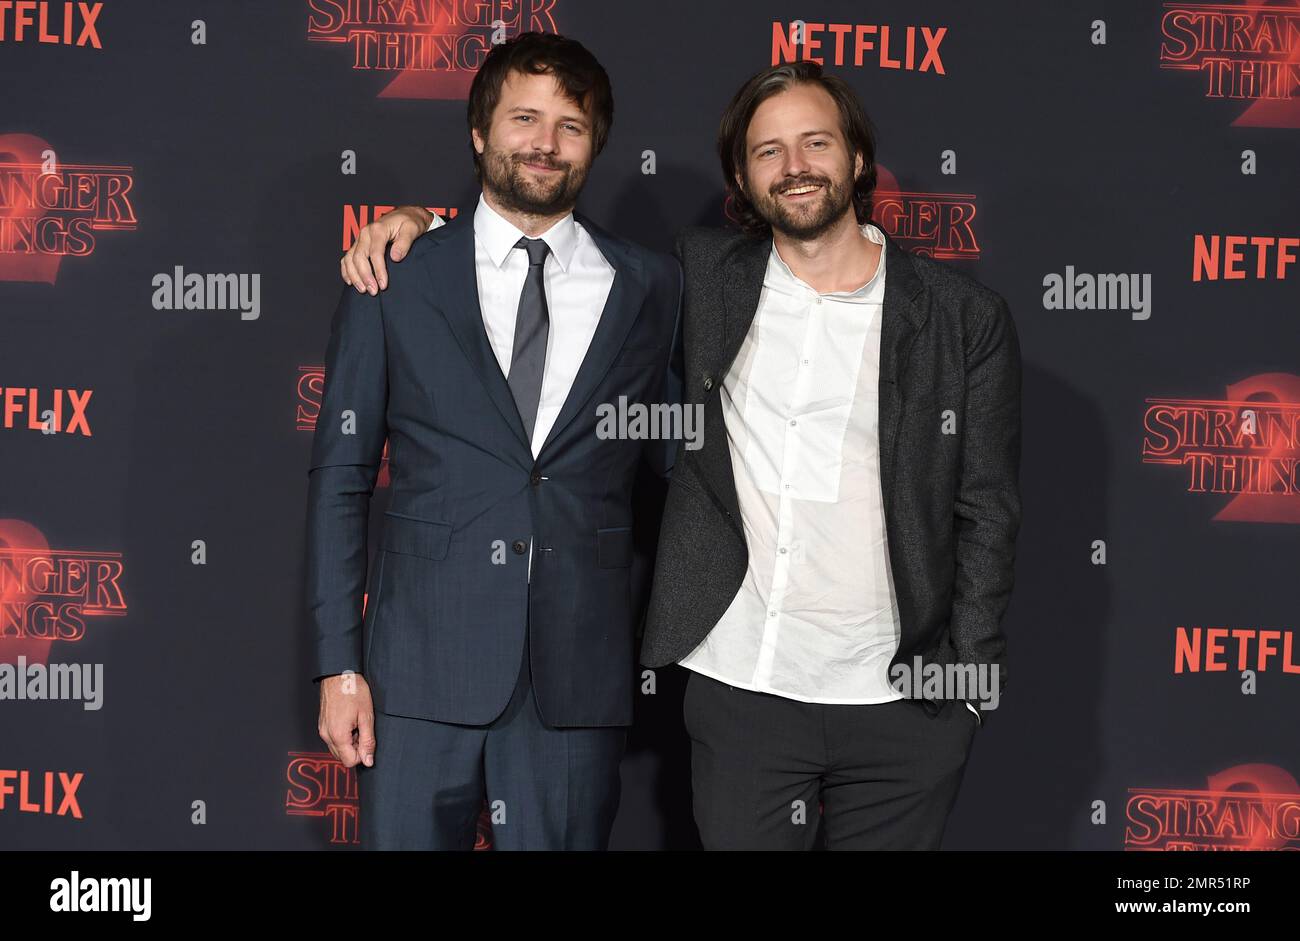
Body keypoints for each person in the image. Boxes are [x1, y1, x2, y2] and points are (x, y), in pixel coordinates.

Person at [342, 60, 1022, 852]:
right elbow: (518, 230)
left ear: (859, 158)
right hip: (743, 691)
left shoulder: (960, 317)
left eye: (816, 142)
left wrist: (967, 687)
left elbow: (987, 509)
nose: (795, 166)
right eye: (769, 151)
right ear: (741, 174)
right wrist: (421, 224)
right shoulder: (695, 279)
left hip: (904, 702)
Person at [306, 32, 681, 850]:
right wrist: (340, 667)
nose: (545, 143)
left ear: (595, 144)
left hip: (576, 682)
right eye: (524, 118)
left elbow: (686, 465)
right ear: (480, 131)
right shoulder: (397, 273)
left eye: (570, 125)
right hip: (415, 676)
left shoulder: (654, 286)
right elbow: (341, 477)